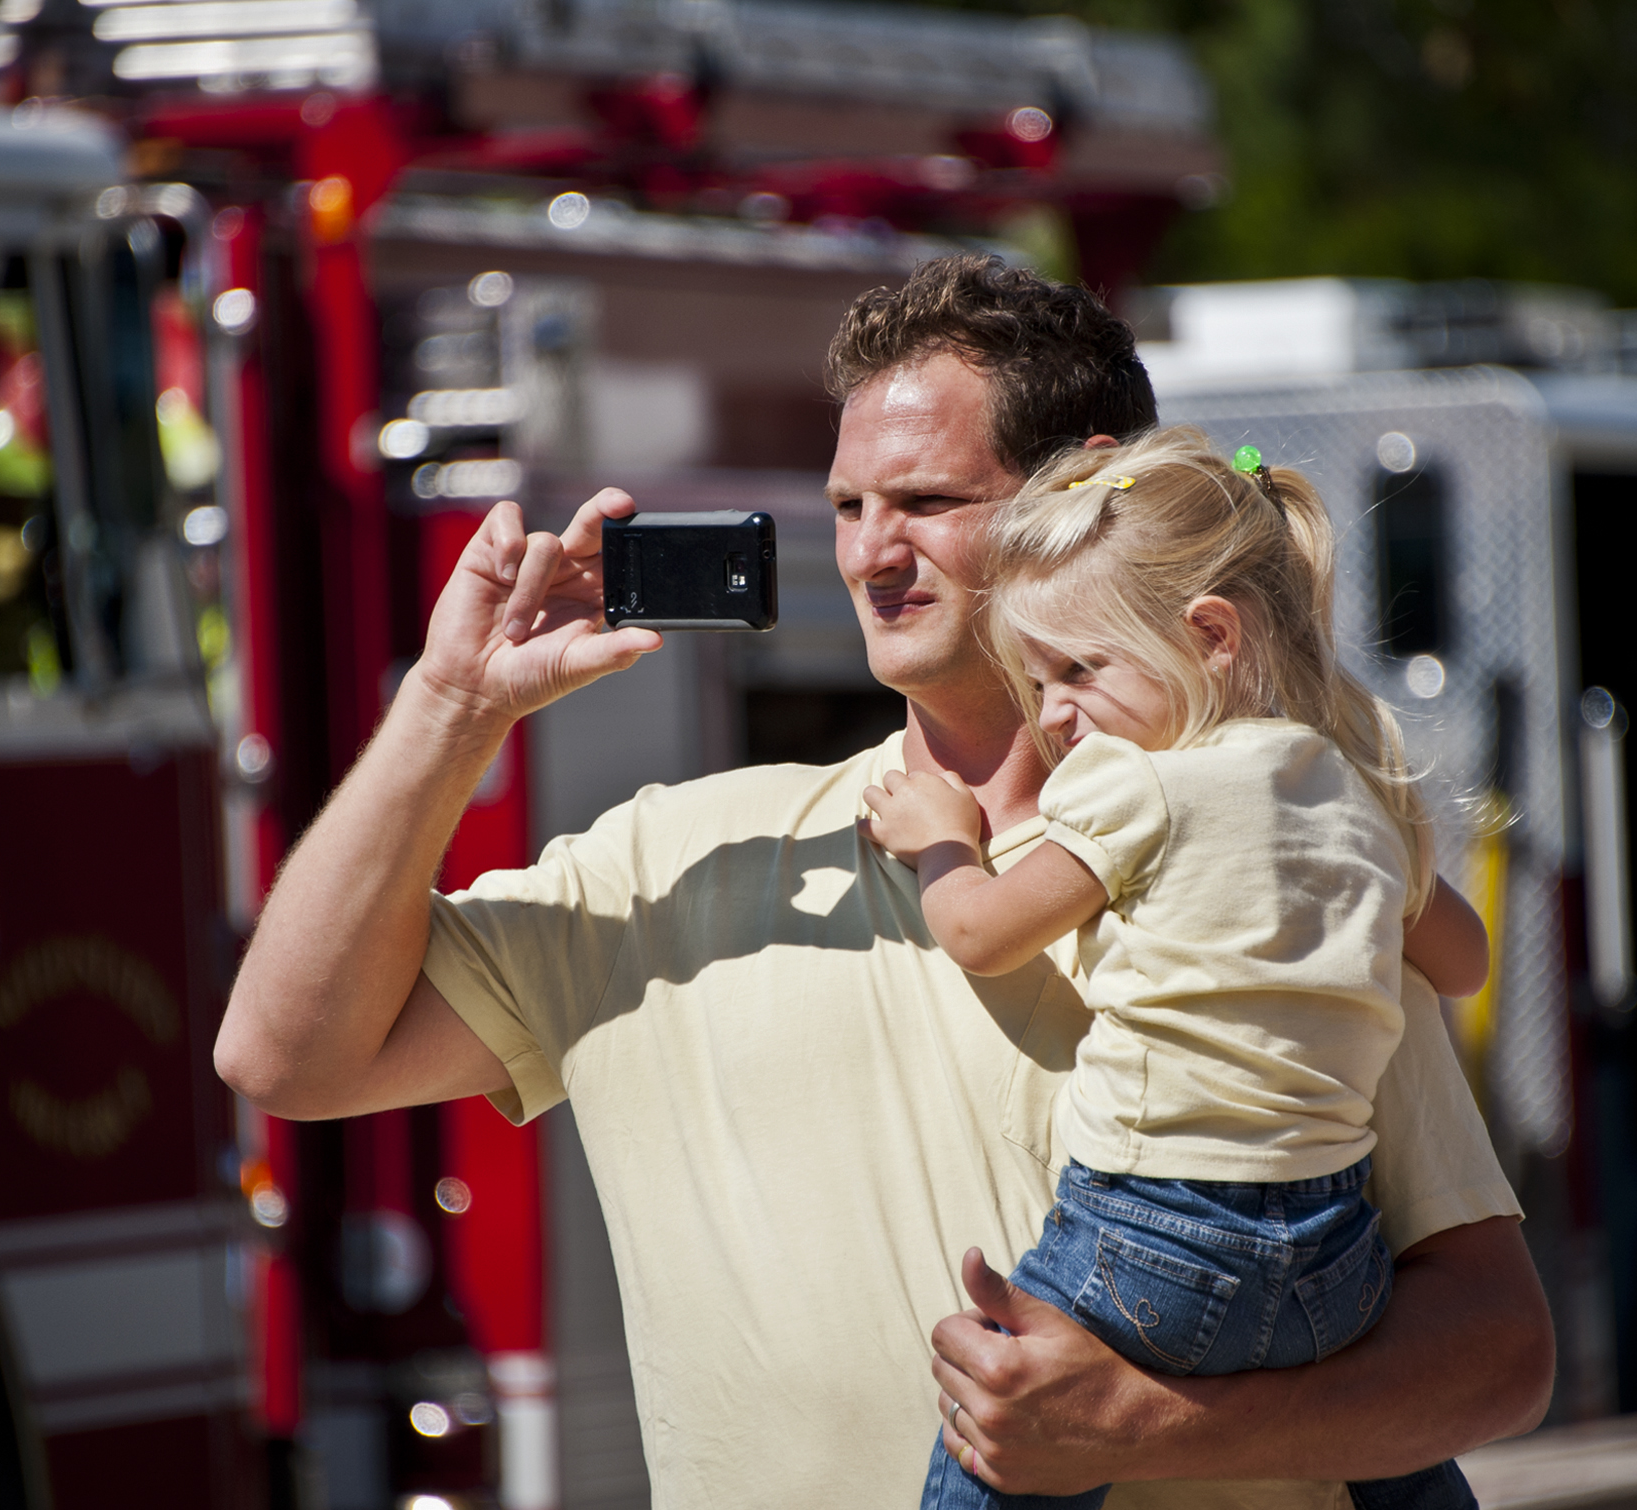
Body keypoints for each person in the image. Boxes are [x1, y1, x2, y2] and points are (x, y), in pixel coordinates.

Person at [216, 256, 1553, 1509]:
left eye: (924, 502)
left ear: (1078, 498)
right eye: (851, 504)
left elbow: (1495, 1350)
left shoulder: (1256, 855)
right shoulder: (672, 854)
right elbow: (288, 1055)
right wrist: (449, 704)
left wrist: (1142, 1426)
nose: (867, 552)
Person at [860, 429, 1491, 1510]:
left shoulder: (1140, 786)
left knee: (998, 1426)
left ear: (1208, 635)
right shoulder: (1359, 793)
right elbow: (1466, 961)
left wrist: (943, 836)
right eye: (1038, 676)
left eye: (1076, 669)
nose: (1053, 710)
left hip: (1154, 1236)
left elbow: (980, 933)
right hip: (1337, 1257)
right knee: (1395, 1458)